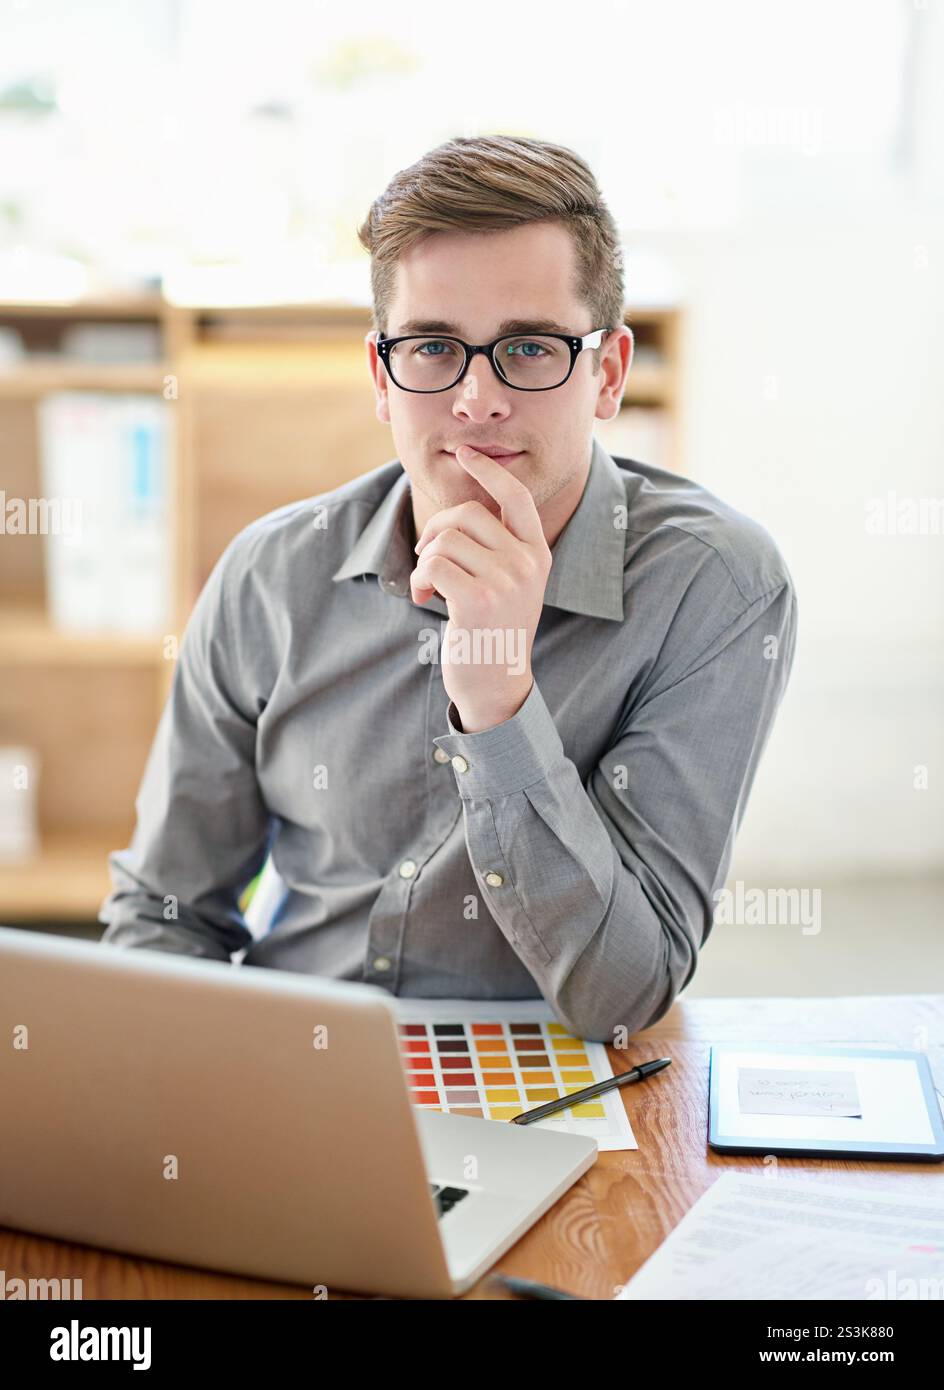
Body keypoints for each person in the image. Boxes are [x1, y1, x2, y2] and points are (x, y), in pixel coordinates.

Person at [99, 134, 797, 1043]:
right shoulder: (271, 575)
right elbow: (165, 914)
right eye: (432, 347)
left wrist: (498, 701)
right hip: (303, 1065)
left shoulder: (718, 589)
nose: (476, 400)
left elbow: (626, 996)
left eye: (530, 348)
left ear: (608, 373)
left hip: (558, 1080)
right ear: (382, 378)